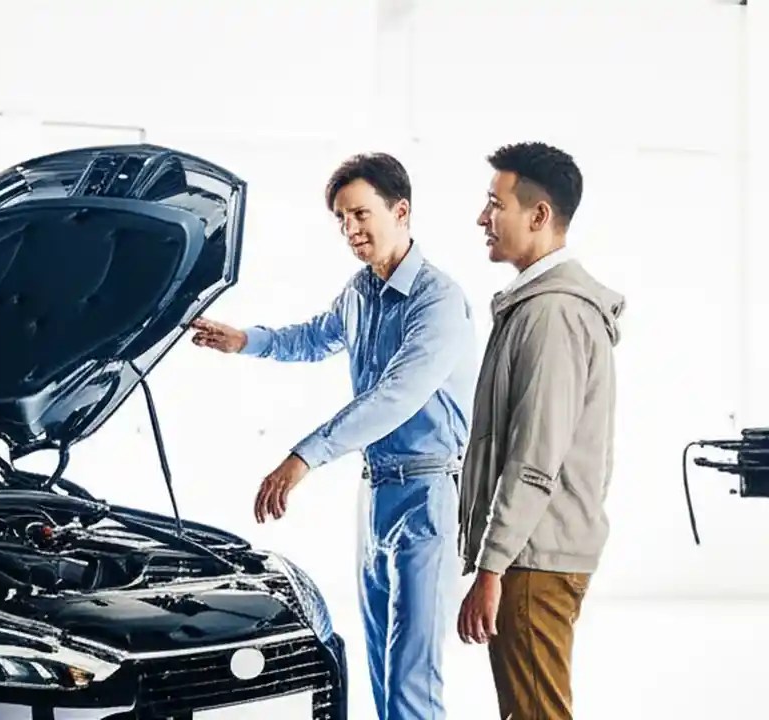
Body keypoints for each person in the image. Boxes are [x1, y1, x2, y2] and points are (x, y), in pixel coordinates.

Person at [190, 152, 476, 720]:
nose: (351, 230)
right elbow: (315, 338)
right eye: (342, 219)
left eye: (361, 214)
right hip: (375, 495)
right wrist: (244, 339)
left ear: (402, 210)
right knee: (377, 667)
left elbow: (395, 395)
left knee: (411, 681)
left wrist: (302, 458)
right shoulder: (360, 292)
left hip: (429, 496)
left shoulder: (437, 301)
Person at [456, 141, 624, 720]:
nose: (482, 218)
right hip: (535, 552)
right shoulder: (536, 307)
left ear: (539, 215)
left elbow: (535, 459)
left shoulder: (552, 315)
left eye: (493, 203)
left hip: (533, 557)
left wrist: (492, 565)